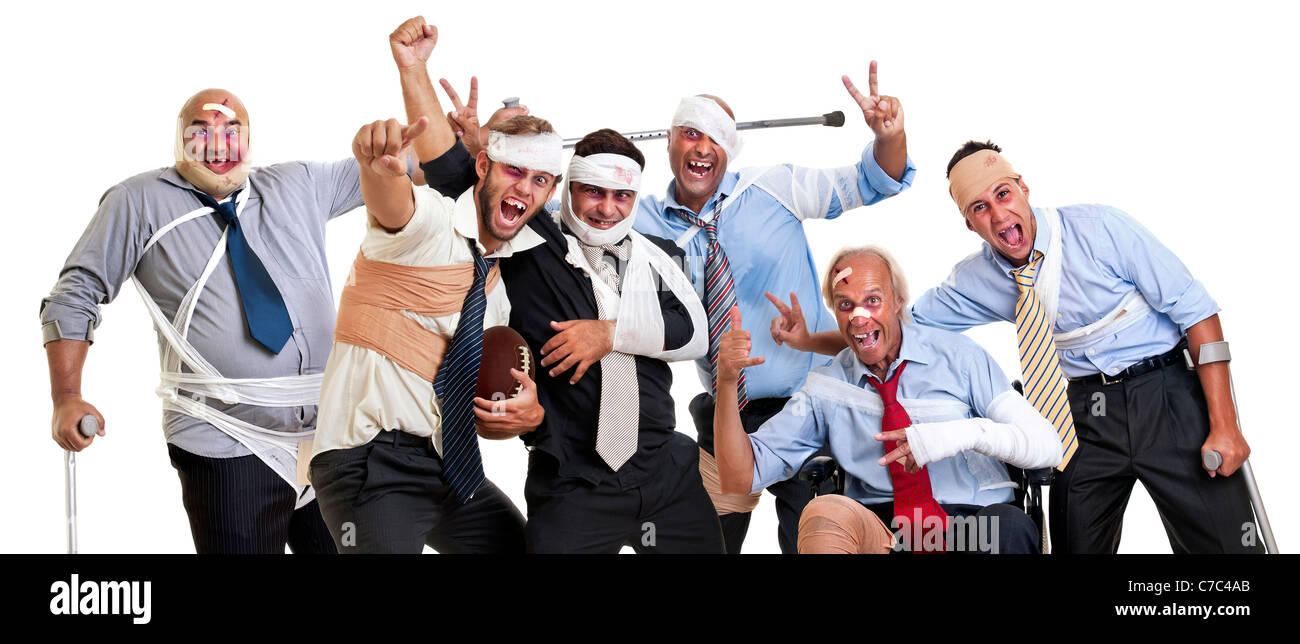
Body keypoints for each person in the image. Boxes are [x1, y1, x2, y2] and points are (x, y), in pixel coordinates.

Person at [404, 18, 725, 553]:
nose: (605, 208)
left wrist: (609, 334)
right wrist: (416, 70)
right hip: (574, 480)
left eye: (620, 197)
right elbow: (454, 169)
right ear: (563, 188)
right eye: (591, 191)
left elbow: (692, 331)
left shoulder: (659, 255)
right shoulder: (533, 241)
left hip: (664, 470)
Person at [40, 88, 360, 553]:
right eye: (200, 130)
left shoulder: (298, 185)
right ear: (178, 138)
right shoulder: (139, 202)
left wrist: (459, 137)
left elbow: (397, 165)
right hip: (225, 439)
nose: (217, 143)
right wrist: (66, 396)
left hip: (325, 436)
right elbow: (76, 293)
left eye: (233, 130)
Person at [907, 141, 1262, 553]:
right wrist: (815, 336)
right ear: (970, 224)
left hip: (1166, 395)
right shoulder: (975, 278)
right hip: (1086, 413)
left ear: (1023, 187)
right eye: (980, 208)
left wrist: (1225, 426)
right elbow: (895, 327)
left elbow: (1198, 313)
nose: (999, 214)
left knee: (1227, 545)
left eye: (1003, 193)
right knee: (1075, 540)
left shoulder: (1101, 228)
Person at [630, 63, 916, 553]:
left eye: (716, 137)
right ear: (671, 143)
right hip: (726, 412)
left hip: (808, 407)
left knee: (816, 537)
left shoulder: (771, 187)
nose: (702, 147)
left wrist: (890, 136)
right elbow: (556, 209)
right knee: (699, 540)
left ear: (731, 149)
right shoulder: (642, 220)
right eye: (691, 133)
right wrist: (509, 148)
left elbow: (875, 181)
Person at [307, 20, 556, 554]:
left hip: (447, 465)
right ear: (483, 166)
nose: (525, 189)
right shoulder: (432, 224)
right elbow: (393, 204)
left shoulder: (499, 284)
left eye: (539, 180)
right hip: (369, 462)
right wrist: (376, 167)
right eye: (514, 172)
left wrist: (517, 414)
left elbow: (475, 382)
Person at [713, 247, 1061, 554]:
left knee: (1009, 526)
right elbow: (739, 477)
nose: (858, 317)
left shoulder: (960, 358)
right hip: (886, 531)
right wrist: (727, 382)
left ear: (897, 301)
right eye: (845, 305)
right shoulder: (828, 387)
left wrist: (950, 436)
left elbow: (1047, 446)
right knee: (824, 513)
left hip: (972, 524)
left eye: (873, 300)